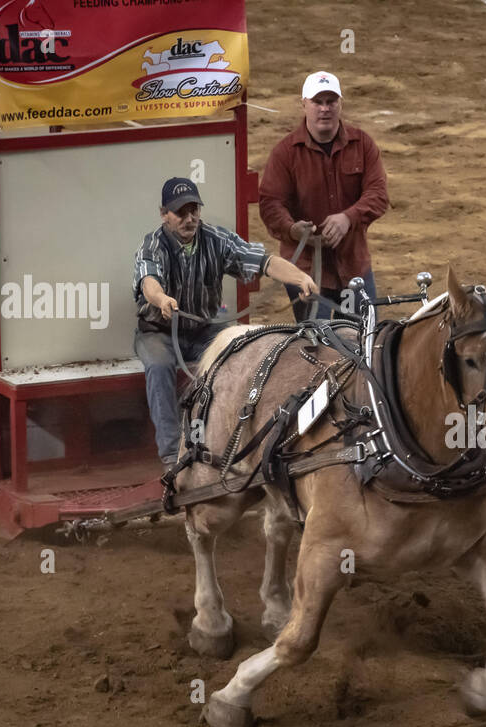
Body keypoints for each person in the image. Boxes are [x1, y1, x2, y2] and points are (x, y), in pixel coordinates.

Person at [134, 176, 318, 467]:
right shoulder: (152, 245)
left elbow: (264, 262)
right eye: (181, 212)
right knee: (158, 366)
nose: (189, 218)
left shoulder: (217, 239)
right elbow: (149, 282)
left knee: (240, 350)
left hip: (204, 329)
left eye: (194, 210)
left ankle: (230, 438)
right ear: (164, 214)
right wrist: (161, 300)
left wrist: (300, 278)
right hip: (159, 332)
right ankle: (171, 454)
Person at [259, 71, 389, 318]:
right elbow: (270, 204)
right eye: (318, 102)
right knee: (316, 345)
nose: (325, 109)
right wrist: (292, 229)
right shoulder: (285, 153)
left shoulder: (363, 145)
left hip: (353, 266)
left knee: (361, 338)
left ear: (341, 104)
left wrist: (348, 218)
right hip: (305, 270)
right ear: (304, 105)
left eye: (331, 101)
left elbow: (378, 193)